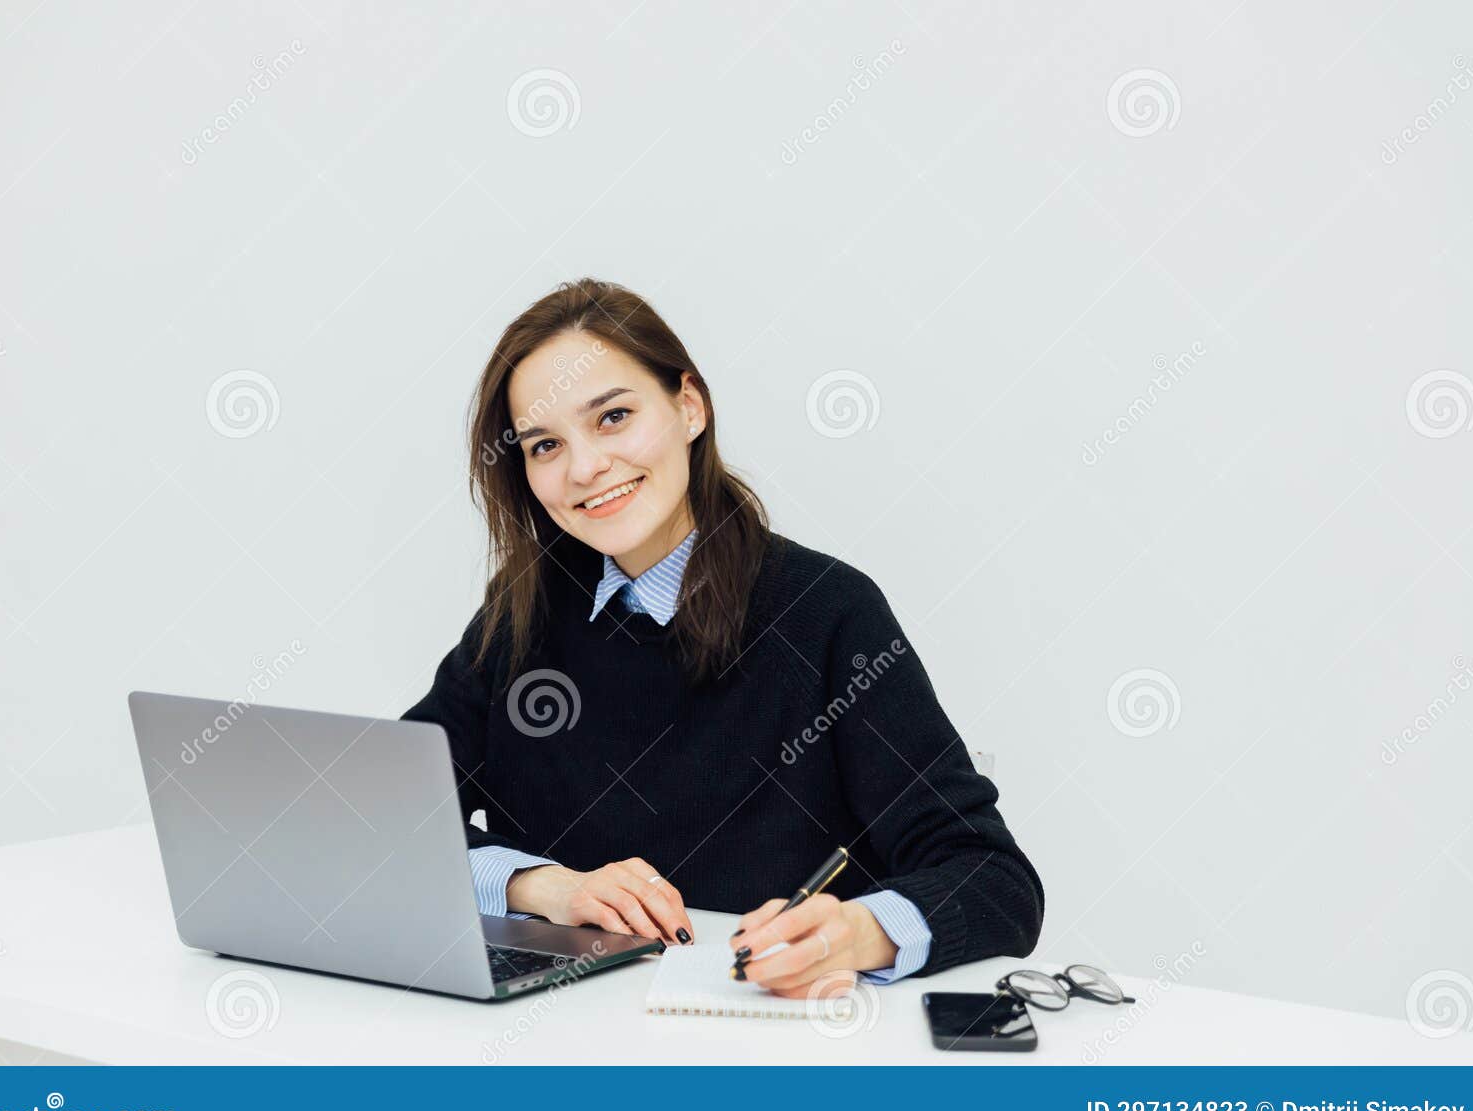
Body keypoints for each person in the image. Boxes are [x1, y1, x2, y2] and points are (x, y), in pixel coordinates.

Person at [403, 278, 1043, 999]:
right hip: (557, 1035)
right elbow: (385, 818)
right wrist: (541, 886)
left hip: (765, 1039)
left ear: (689, 407)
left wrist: (856, 933)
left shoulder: (825, 611)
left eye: (612, 417)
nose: (583, 469)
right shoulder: (520, 615)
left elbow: (992, 877)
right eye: (545, 444)